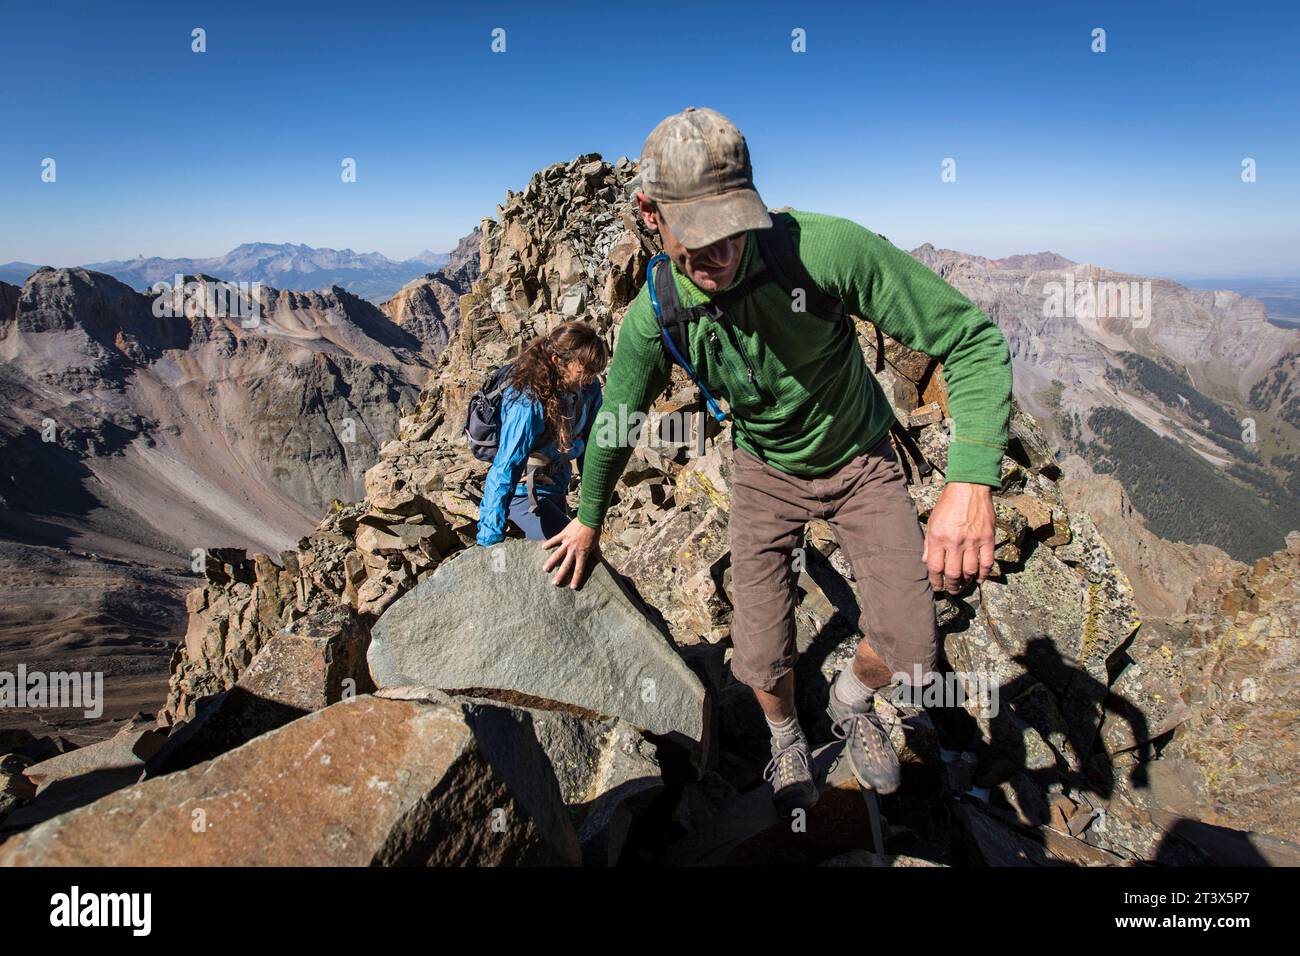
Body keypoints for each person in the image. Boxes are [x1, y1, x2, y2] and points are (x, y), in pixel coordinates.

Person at [542, 107, 1013, 813]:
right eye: (697, 235)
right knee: (759, 655)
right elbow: (615, 422)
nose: (722, 252)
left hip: (861, 457)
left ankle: (851, 699)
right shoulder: (655, 317)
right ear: (650, 215)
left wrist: (971, 479)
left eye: (735, 225)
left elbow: (970, 339)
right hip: (764, 474)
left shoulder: (822, 249)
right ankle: (786, 737)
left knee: (913, 649)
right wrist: (587, 520)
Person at [475, 321, 607, 547]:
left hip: (556, 485)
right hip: (523, 494)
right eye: (583, 372)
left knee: (571, 555)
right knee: (570, 551)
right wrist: (489, 544)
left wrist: (591, 507)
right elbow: (506, 468)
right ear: (557, 362)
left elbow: (591, 445)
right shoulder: (527, 399)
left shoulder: (588, 387)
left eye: (594, 372)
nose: (589, 379)